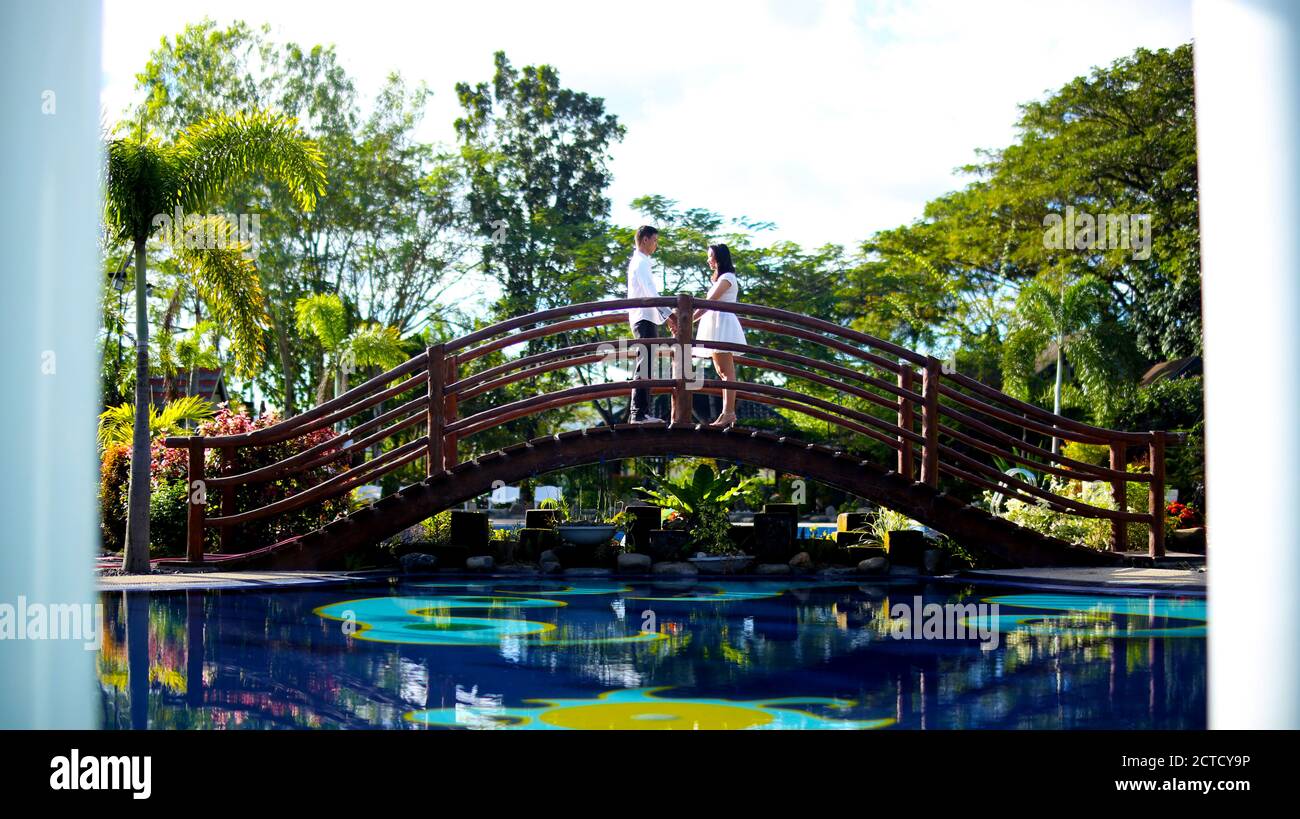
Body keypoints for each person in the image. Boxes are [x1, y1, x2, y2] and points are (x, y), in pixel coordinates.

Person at [691, 243, 746, 426]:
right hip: (716, 325)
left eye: (710, 256)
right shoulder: (720, 278)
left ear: (719, 258)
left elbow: (710, 301)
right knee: (722, 372)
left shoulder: (728, 277)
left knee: (727, 372)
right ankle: (726, 413)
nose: (708, 260)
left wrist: (687, 320)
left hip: (722, 325)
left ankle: (729, 412)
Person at [626, 225, 673, 423]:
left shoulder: (640, 261)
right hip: (643, 317)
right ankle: (639, 413)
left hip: (644, 317)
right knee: (645, 362)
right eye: (654, 240)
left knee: (647, 362)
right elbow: (650, 293)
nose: (656, 244)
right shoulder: (641, 262)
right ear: (645, 239)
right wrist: (671, 316)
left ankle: (640, 412)